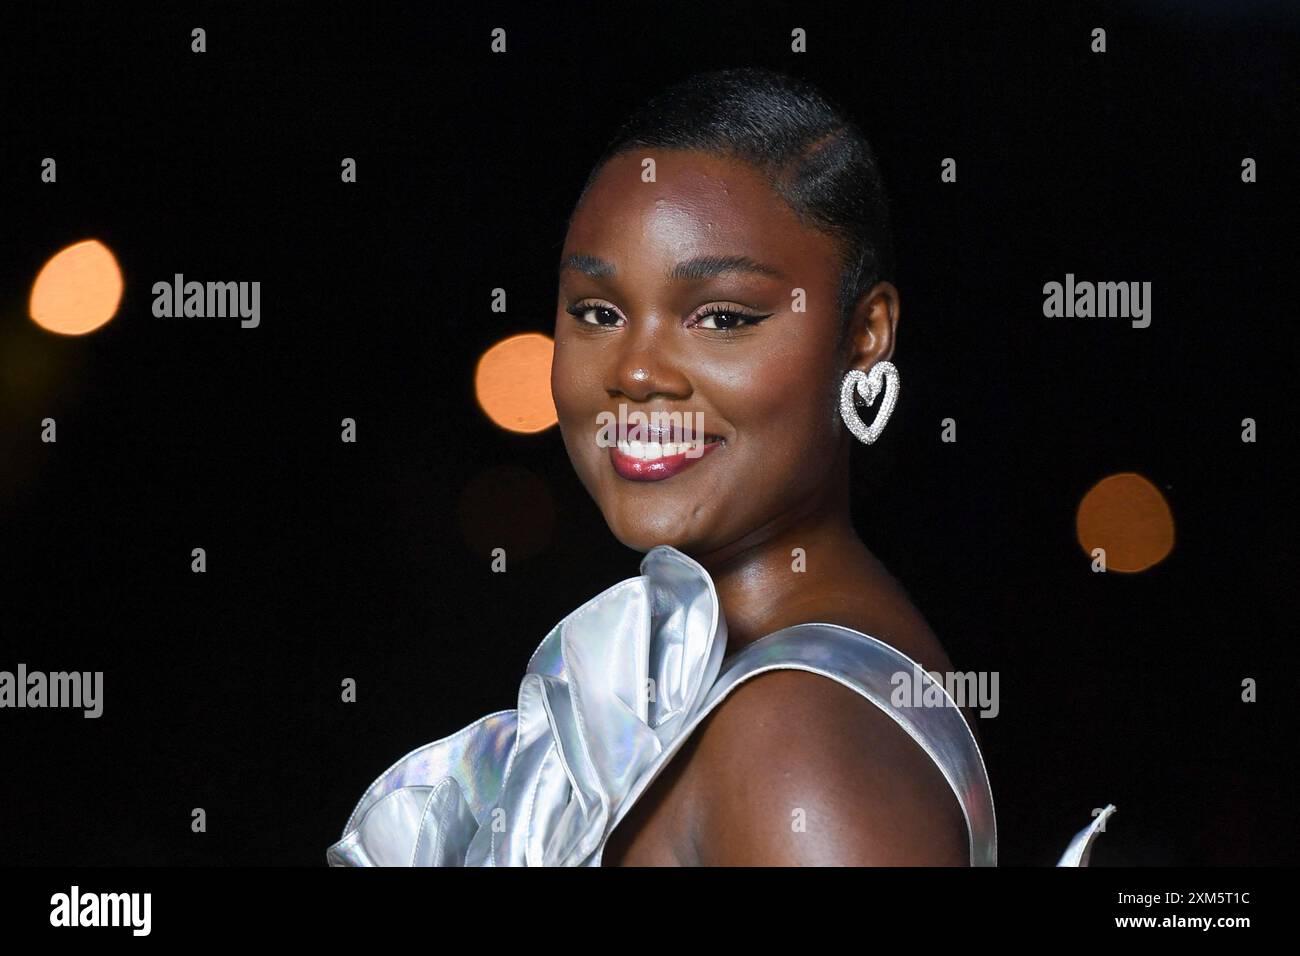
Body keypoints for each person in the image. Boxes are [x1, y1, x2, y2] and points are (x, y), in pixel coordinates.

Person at [327, 66, 1113, 867]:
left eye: (723, 317)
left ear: (866, 333)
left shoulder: (795, 736)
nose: (636, 372)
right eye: (598, 313)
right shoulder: (750, 691)